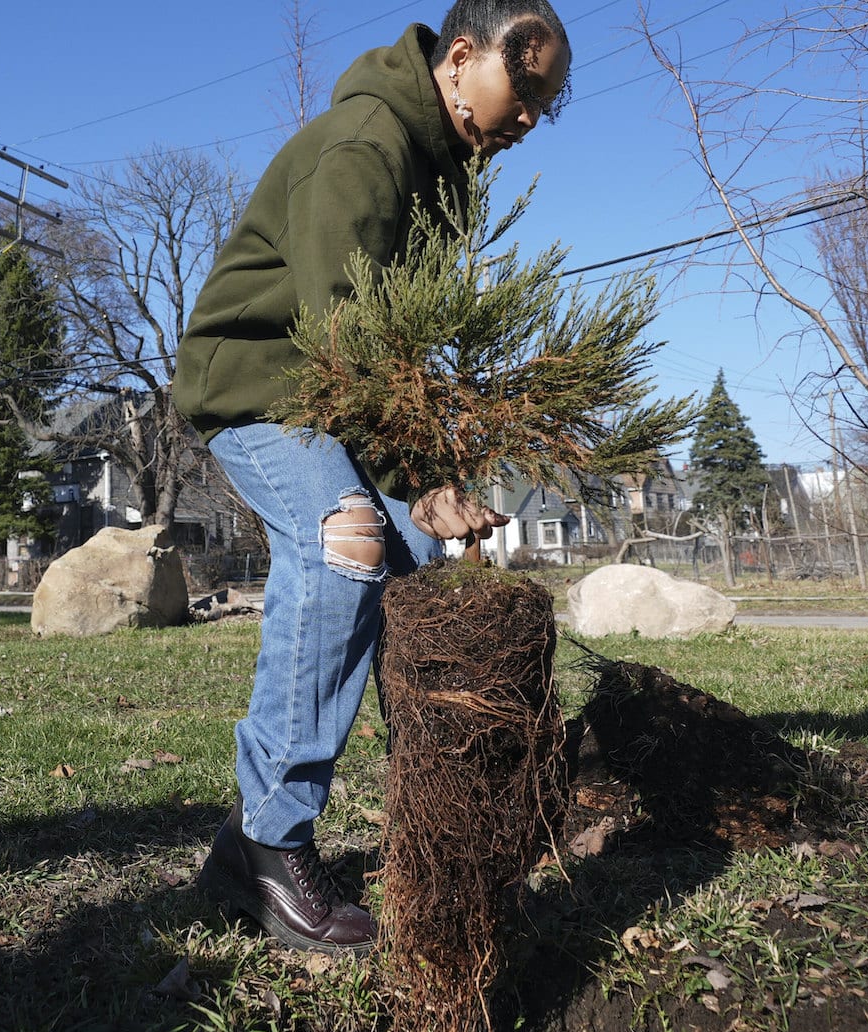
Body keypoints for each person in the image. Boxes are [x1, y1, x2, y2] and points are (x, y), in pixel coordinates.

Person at [176, 0, 573, 954]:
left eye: (546, 108)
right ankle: (268, 843)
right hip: (260, 384)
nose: (529, 118)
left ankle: (434, 812)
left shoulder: (450, 165)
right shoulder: (367, 144)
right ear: (463, 56)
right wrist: (414, 472)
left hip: (330, 386)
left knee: (427, 550)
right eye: (524, 92)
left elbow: (398, 350)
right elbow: (349, 343)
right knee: (347, 538)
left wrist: (436, 482)